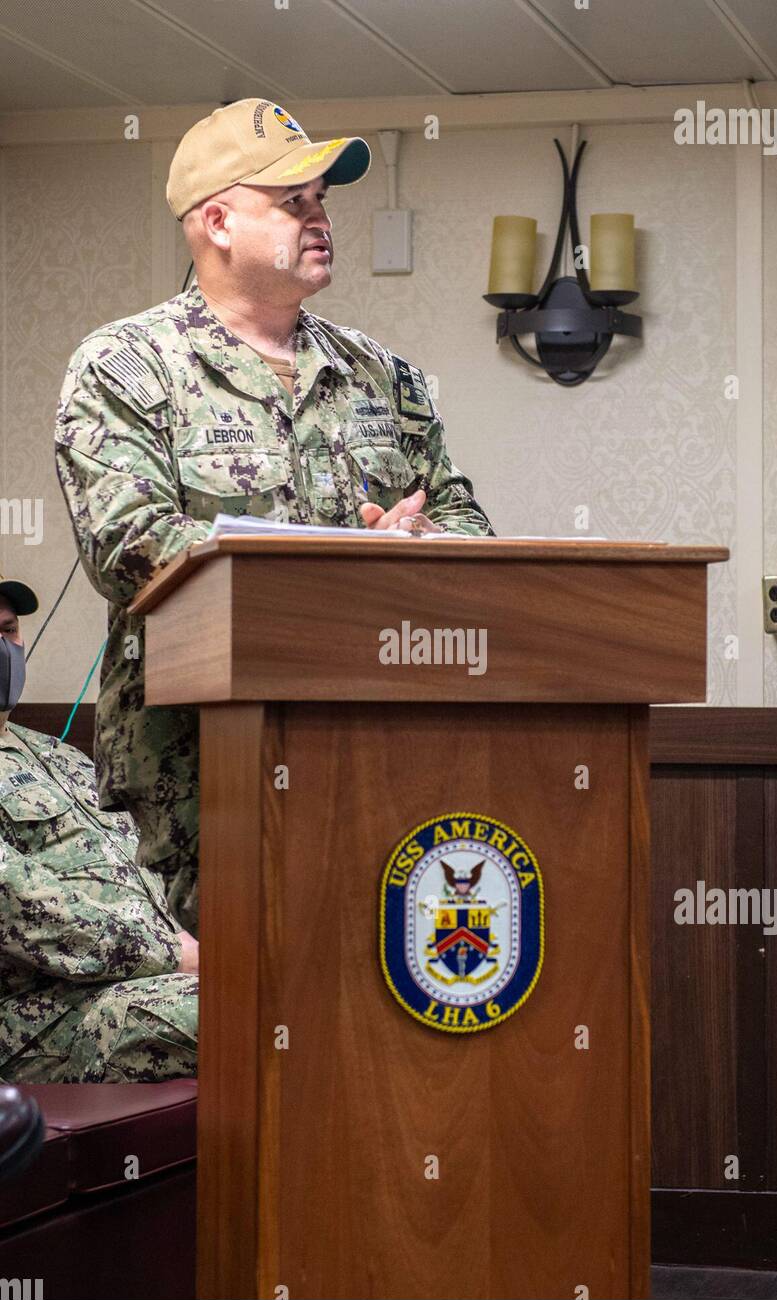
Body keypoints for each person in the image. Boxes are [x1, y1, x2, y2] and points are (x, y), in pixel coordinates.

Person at [55, 98, 493, 935]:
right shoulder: (128, 366)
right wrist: (352, 565)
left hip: (376, 759)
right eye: (293, 201)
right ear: (216, 221)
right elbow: (132, 546)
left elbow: (466, 525)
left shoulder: (386, 376)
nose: (320, 217)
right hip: (198, 783)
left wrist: (425, 542)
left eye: (322, 199)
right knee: (228, 1032)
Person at [0, 577, 198, 1083]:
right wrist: (175, 954)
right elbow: (21, 907)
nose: (3, 649)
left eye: (8, 630)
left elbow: (148, 854)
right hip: (46, 1017)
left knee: (289, 985)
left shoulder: (57, 755)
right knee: (250, 1008)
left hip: (146, 975)